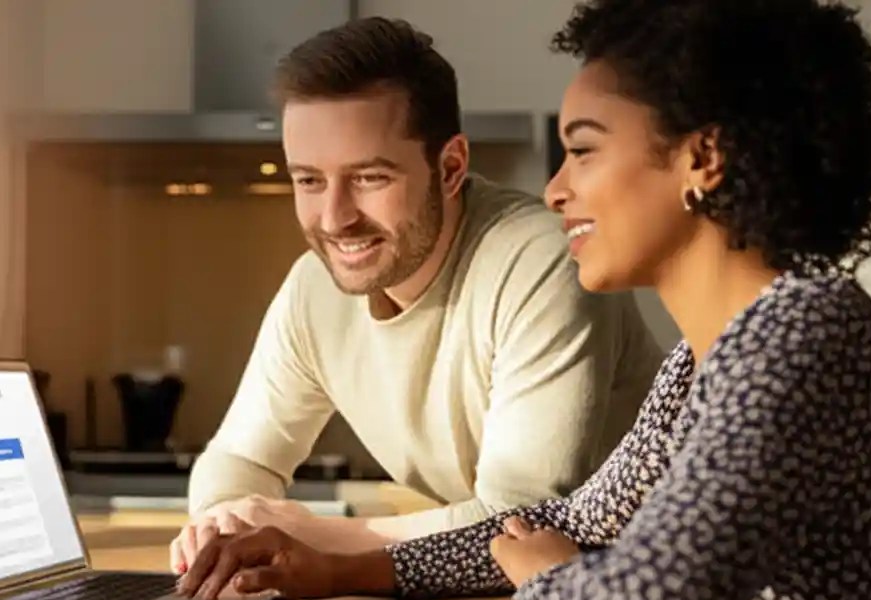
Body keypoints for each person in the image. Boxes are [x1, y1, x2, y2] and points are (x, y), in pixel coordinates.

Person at [177, 1, 871, 600]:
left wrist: (548, 573)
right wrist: (333, 572)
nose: (555, 190)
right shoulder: (702, 364)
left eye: (583, 152)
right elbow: (567, 521)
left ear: (704, 159)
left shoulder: (801, 338)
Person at [171, 18, 664, 571]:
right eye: (309, 180)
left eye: (369, 178)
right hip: (492, 590)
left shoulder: (538, 260)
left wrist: (314, 535)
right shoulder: (315, 289)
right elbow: (239, 457)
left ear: (450, 167)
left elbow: (524, 518)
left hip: (632, 585)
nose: (335, 219)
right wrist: (219, 524)